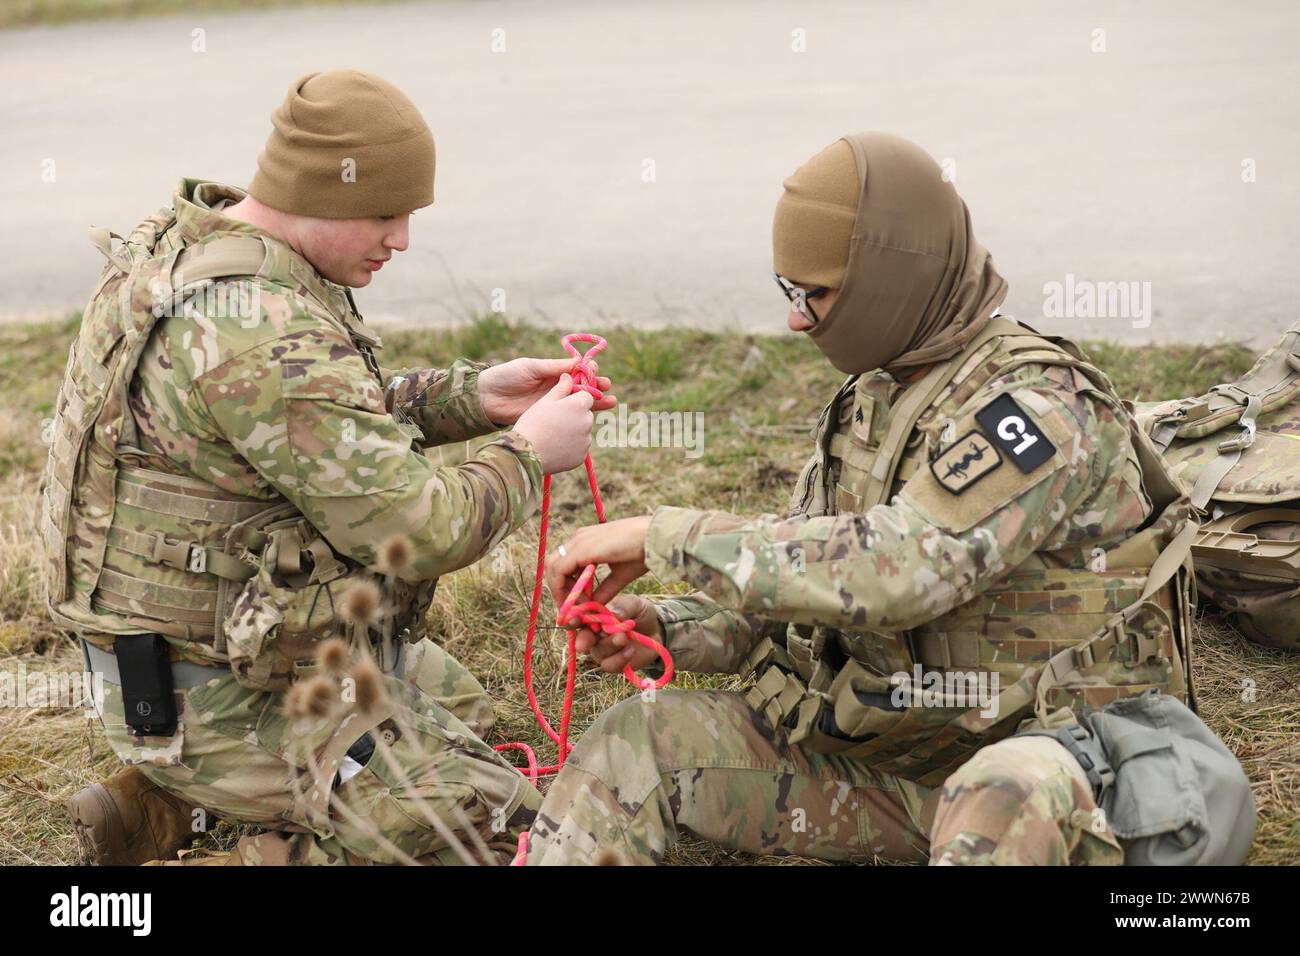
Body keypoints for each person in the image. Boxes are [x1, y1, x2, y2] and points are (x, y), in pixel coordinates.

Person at [529, 131, 1211, 866]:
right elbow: (804, 598)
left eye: (813, 294)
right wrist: (663, 627)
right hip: (916, 763)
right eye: (787, 292)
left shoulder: (1040, 405)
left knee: (1002, 796)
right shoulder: (879, 396)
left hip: (1068, 775)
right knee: (640, 739)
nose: (795, 319)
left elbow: (899, 569)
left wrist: (666, 537)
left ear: (888, 278)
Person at [51, 70, 609, 865]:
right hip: (218, 691)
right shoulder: (259, 327)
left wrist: (471, 400)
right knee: (517, 837)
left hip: (208, 657)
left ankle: (172, 803)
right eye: (386, 214)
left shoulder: (205, 251)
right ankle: (238, 827)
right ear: (318, 192)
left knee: (459, 706)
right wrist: (529, 455)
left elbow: (316, 426)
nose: (403, 239)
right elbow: (422, 531)